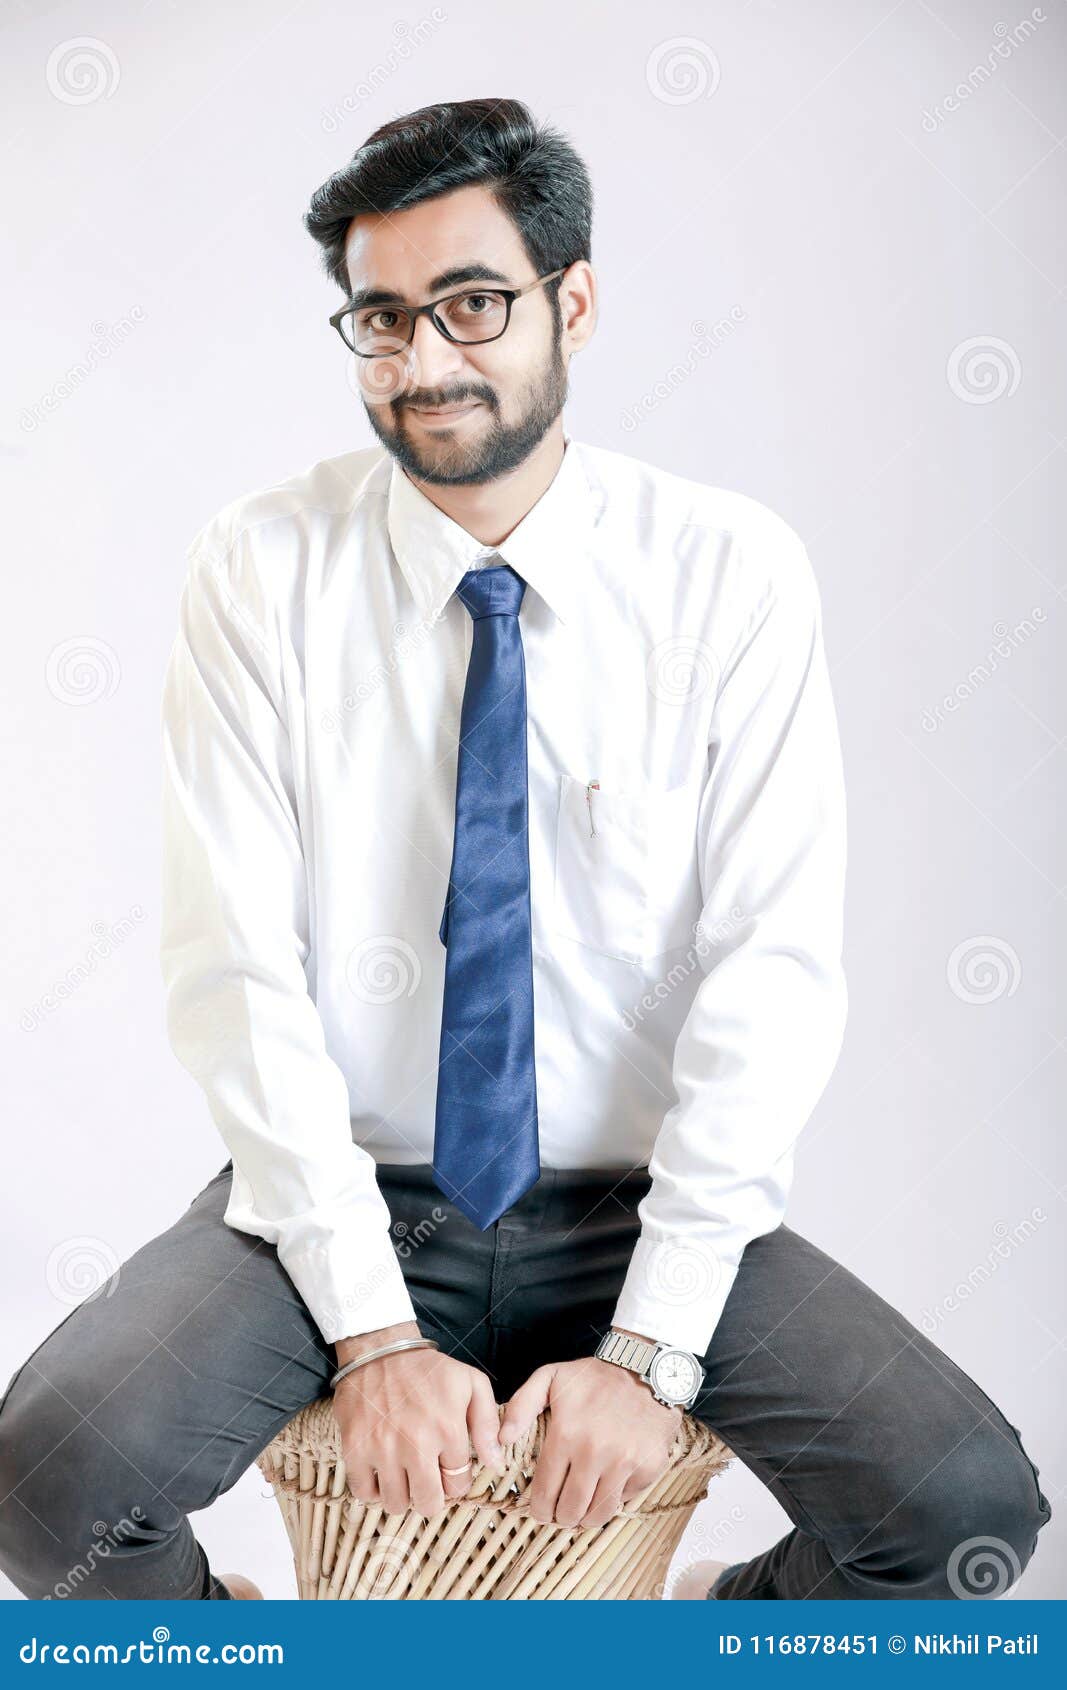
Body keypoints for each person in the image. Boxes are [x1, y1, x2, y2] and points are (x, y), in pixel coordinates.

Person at [0, 98, 1050, 1603]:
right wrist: (368, 1328)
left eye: (472, 304)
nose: (422, 361)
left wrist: (648, 1343)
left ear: (576, 299)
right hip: (352, 1191)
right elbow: (235, 968)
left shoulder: (728, 572)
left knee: (963, 1515)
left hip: (635, 1203)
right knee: (50, 1477)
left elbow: (774, 971)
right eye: (379, 318)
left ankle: (673, 1653)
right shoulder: (262, 566)